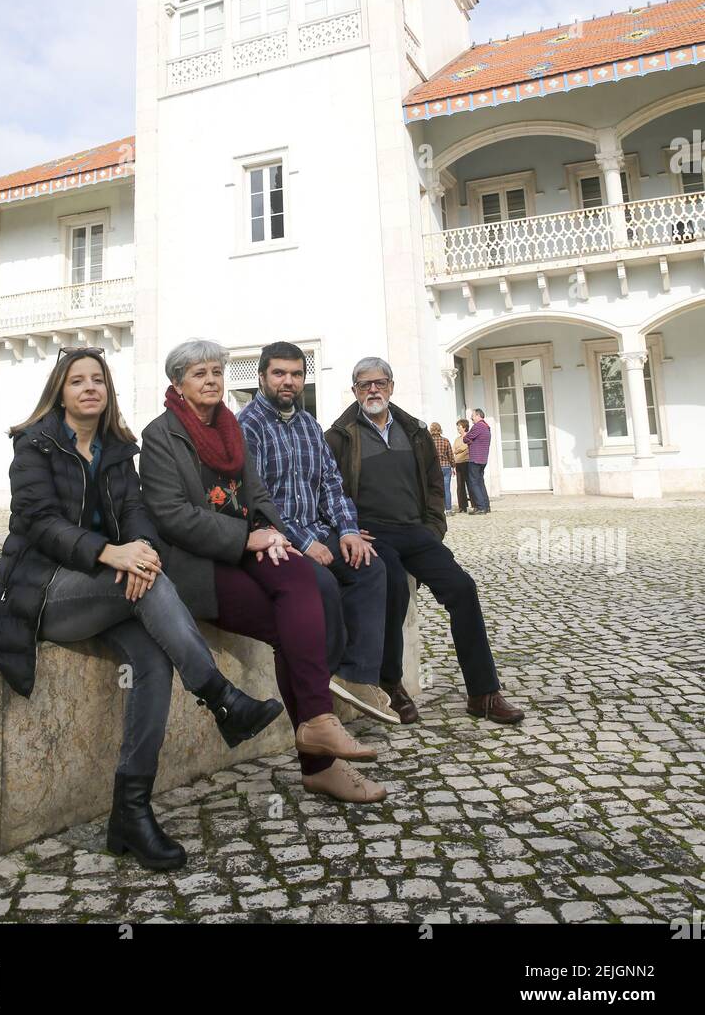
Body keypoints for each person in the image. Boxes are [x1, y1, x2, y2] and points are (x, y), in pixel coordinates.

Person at [0, 347, 285, 872]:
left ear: (108, 389)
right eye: (77, 381)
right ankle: (220, 698)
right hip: (44, 594)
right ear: (61, 391)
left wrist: (139, 547)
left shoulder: (118, 448)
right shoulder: (34, 446)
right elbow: (39, 523)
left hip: (109, 586)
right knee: (154, 578)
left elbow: (136, 512)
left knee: (151, 660)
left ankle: (131, 813)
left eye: (97, 380)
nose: (89, 388)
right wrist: (109, 552)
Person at [138, 340, 386, 805]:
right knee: (289, 627)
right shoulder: (161, 435)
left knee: (301, 578)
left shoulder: (231, 426)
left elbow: (258, 492)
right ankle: (320, 761)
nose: (211, 380)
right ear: (177, 384)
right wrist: (245, 538)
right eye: (199, 374)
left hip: (250, 543)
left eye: (216, 371)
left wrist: (271, 531)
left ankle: (317, 726)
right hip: (201, 562)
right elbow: (172, 515)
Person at [325, 358, 525, 727]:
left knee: (462, 588)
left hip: (416, 532)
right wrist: (346, 530)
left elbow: (436, 485)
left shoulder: (414, 430)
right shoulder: (339, 436)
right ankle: (390, 683)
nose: (374, 390)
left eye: (381, 382)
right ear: (354, 390)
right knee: (393, 588)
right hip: (371, 533)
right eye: (365, 384)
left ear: (391, 386)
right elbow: (329, 489)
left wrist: (433, 528)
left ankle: (483, 693)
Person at [238, 342, 400, 728]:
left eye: (296, 374)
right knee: (322, 583)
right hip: (276, 537)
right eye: (279, 373)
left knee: (370, 566)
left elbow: (331, 483)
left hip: (318, 529)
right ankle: (316, 696)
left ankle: (358, 677)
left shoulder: (310, 425)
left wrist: (347, 531)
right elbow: (256, 498)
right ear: (262, 377)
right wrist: (303, 542)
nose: (288, 381)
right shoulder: (248, 427)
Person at [465, 408, 492, 513]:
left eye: (473, 416)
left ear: (478, 415)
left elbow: (465, 438)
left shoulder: (478, 426)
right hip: (483, 459)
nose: (471, 418)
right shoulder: (486, 427)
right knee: (480, 482)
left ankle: (481, 507)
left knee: (474, 483)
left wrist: (469, 440)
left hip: (475, 459)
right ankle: (486, 506)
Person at [429, 421, 455, 513]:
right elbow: (450, 455)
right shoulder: (445, 440)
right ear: (440, 430)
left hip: (434, 468)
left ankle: (438, 509)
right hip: (446, 467)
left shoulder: (429, 441)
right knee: (446, 489)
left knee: (435, 489)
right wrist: (453, 466)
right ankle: (448, 509)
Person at [452, 419, 470, 513]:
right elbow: (454, 450)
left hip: (466, 462)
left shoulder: (468, 436)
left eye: (459, 426)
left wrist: (459, 449)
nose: (458, 428)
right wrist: (459, 449)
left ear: (464, 427)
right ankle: (462, 506)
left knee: (469, 484)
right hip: (458, 463)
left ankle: (474, 504)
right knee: (460, 485)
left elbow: (466, 447)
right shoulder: (457, 439)